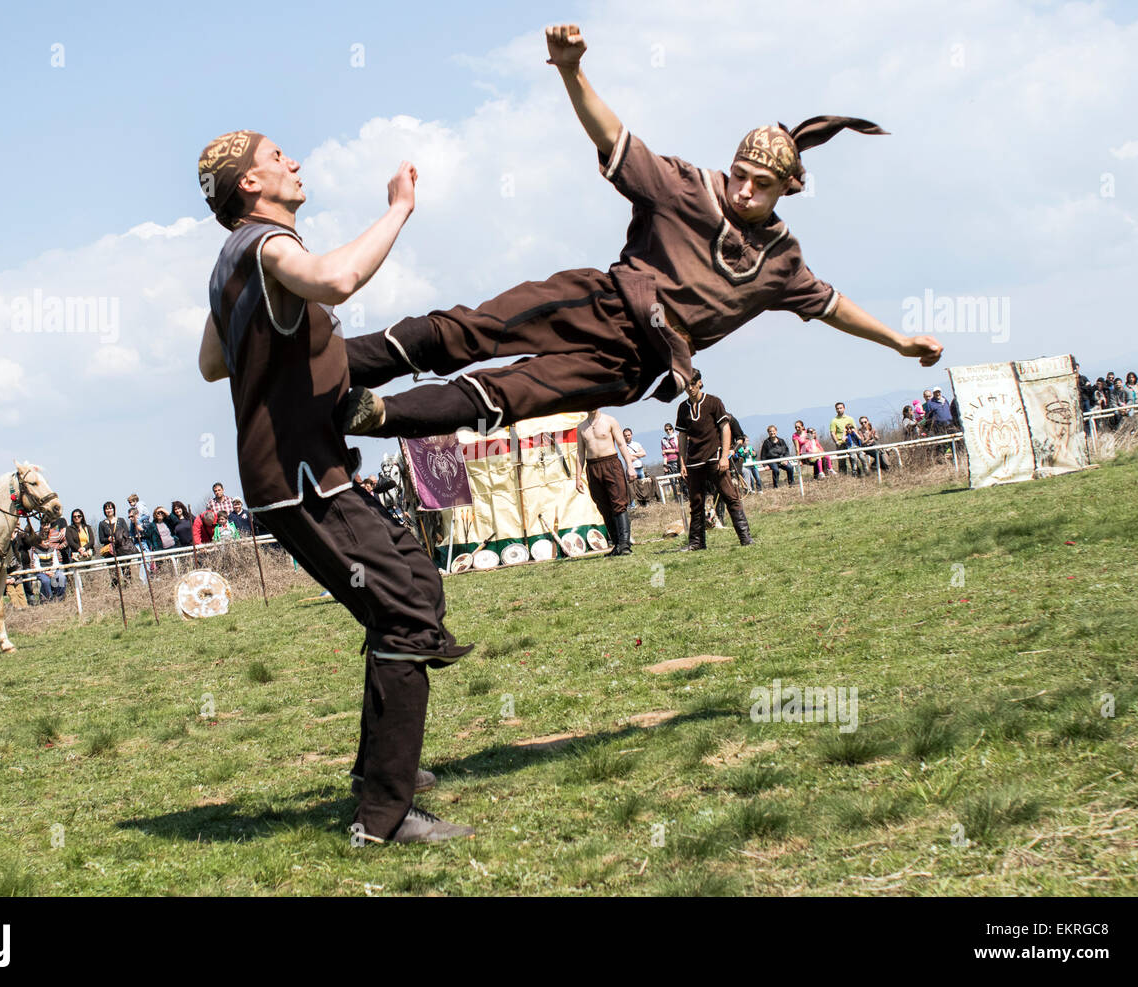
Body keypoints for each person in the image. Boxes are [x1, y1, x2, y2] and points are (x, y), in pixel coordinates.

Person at [337, 23, 942, 439]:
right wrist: (572, 72)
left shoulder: (782, 264)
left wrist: (900, 342)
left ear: (789, 189)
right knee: (468, 331)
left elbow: (834, 307)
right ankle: (331, 362)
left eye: (761, 183)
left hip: (634, 365)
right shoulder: (683, 187)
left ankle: (377, 413)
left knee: (508, 397)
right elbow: (615, 138)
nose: (745, 190)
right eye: (740, 175)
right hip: (599, 302)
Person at [195, 126, 473, 844]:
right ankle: (383, 815)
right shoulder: (268, 249)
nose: (293, 160)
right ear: (250, 186)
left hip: (312, 473)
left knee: (414, 575)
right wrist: (399, 208)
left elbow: (210, 361)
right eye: (276, 156)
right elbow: (338, 279)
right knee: (407, 614)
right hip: (300, 480)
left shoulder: (236, 262)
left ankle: (381, 767)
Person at [675, 369, 752, 549]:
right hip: (694, 461)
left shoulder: (713, 402)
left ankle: (745, 538)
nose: (690, 389)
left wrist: (725, 456)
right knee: (696, 502)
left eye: (692, 384)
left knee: (730, 496)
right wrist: (682, 463)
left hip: (715, 458)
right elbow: (682, 437)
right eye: (686, 386)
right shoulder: (683, 408)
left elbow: (726, 428)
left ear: (700, 382)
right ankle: (696, 542)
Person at [576, 409, 637, 556]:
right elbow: (580, 452)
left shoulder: (610, 420)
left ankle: (624, 544)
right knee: (603, 505)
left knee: (619, 503)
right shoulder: (581, 427)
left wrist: (630, 466)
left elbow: (622, 444)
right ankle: (617, 544)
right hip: (593, 467)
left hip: (611, 463)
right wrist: (577, 477)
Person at [30, 524, 66, 602]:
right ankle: (49, 597)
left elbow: (56, 562)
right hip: (41, 571)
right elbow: (36, 565)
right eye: (44, 542)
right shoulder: (36, 551)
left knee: (61, 577)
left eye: (47, 542)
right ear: (40, 543)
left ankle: (60, 596)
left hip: (52, 569)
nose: (47, 544)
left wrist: (52, 571)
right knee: (46, 581)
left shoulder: (52, 549)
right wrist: (45, 572)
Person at [829, 402, 858, 476]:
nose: (839, 410)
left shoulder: (850, 419)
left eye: (840, 408)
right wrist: (837, 442)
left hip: (850, 442)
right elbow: (833, 433)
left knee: (853, 458)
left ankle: (856, 474)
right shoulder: (834, 421)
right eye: (837, 408)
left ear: (844, 408)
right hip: (840, 443)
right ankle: (843, 477)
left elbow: (855, 429)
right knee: (841, 461)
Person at [659, 422, 682, 497]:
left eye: (670, 429)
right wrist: (664, 465)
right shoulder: (663, 440)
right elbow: (664, 454)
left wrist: (667, 450)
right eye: (666, 430)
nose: (668, 431)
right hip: (669, 462)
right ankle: (676, 497)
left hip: (678, 460)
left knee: (681, 479)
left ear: (672, 429)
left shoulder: (677, 437)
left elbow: (679, 450)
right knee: (672, 481)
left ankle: (684, 495)